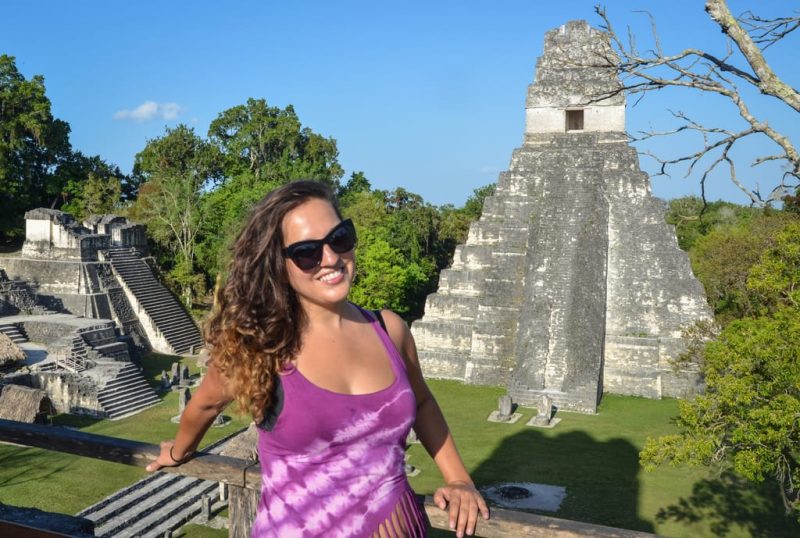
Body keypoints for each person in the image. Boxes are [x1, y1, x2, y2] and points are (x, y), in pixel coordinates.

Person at [146, 180, 489, 537]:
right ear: (278, 265)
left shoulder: (389, 330)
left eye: (339, 238)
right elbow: (204, 405)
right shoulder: (261, 347)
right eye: (307, 252)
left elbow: (422, 402)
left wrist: (459, 478)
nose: (330, 259)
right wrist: (179, 452)